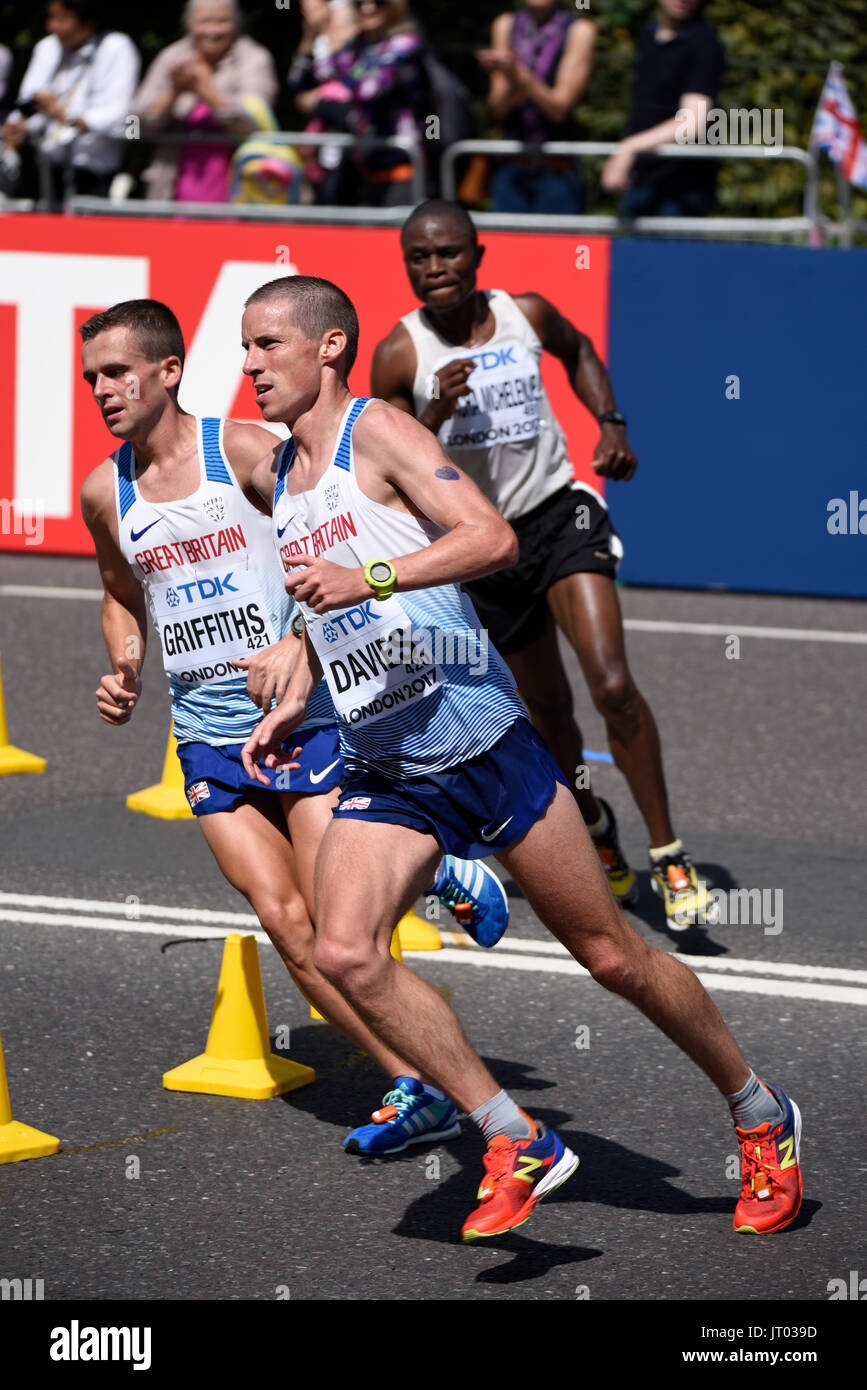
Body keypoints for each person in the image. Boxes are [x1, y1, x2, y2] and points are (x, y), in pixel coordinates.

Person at [239, 273, 803, 1242]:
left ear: (329, 348)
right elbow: (328, 601)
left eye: (266, 346)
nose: (249, 367)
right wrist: (299, 660)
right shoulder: (283, 479)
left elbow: (490, 538)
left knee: (613, 959)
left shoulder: (380, 433)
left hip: (482, 744)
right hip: (384, 759)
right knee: (344, 951)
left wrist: (365, 573)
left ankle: (760, 1111)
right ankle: (514, 1135)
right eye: (244, 350)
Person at [78, 296, 507, 1159]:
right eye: (91, 378)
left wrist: (296, 640)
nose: (102, 390)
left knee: (338, 919)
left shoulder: (239, 452)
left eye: (117, 372)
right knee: (286, 923)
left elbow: (331, 528)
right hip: (204, 734)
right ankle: (410, 1083)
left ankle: (442, 863)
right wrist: (127, 664)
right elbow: (122, 592)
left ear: (167, 371)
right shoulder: (103, 490)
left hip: (302, 719)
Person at [370, 198, 716, 928]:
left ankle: (669, 854)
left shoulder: (525, 312)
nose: (435, 269)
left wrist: (611, 423)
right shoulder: (401, 353)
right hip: (482, 545)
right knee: (548, 710)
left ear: (477, 256)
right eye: (419, 258)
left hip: (559, 516)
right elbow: (385, 457)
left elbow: (580, 350)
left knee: (612, 683)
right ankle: (592, 824)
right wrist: (433, 411)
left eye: (449, 253)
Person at [132, 0, 278, 203]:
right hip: (170, 188)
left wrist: (205, 90)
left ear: (236, 23)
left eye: (222, 21)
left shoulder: (255, 59)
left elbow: (254, 123)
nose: (213, 31)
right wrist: (174, 93)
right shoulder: (170, 57)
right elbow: (134, 126)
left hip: (237, 189)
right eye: (205, 21)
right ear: (189, 24)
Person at [1, 0, 139, 207]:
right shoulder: (47, 47)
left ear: (87, 23)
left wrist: (63, 116)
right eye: (50, 18)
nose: (52, 26)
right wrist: (20, 124)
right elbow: (28, 101)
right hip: (44, 166)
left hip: (94, 171)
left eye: (61, 18)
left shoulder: (116, 48)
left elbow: (123, 115)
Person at [288, 0, 426, 207]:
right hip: (363, 169)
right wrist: (312, 37)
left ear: (394, 7)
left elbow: (370, 88)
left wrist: (325, 91)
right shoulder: (355, 48)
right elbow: (300, 82)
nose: (367, 8)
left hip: (400, 168)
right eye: (360, 3)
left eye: (378, 3)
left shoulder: (405, 44)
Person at [601, 0, 725, 218]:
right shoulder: (648, 34)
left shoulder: (705, 43)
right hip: (642, 180)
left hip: (681, 190)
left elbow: (692, 123)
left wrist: (630, 147)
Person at [479, 0, 595, 214]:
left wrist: (520, 75)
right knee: (508, 245)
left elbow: (559, 109)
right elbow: (497, 109)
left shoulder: (579, 30)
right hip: (511, 169)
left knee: (557, 246)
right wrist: (506, 75)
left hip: (558, 170)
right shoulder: (506, 24)